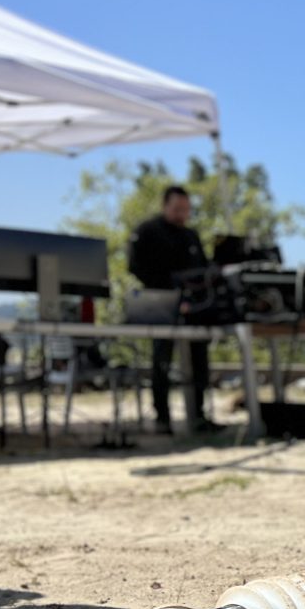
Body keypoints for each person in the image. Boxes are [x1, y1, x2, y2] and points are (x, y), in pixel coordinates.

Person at [129, 185, 218, 434]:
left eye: (186, 210)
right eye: (178, 209)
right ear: (165, 206)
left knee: (199, 358)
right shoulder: (147, 231)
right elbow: (135, 266)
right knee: (162, 361)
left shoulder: (191, 236)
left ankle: (198, 416)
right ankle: (162, 418)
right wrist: (165, 286)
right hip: (161, 305)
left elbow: (204, 267)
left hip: (194, 308)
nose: (183, 214)